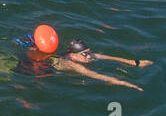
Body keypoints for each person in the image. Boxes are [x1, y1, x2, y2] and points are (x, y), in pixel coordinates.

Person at [20, 38, 149, 90]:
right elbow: (98, 76)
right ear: (73, 55)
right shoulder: (73, 64)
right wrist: (128, 84)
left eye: (88, 52)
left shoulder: (86, 56)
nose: (88, 56)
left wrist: (135, 62)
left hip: (50, 59)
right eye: (84, 54)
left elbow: (111, 57)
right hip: (44, 69)